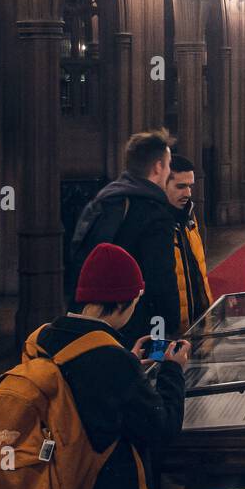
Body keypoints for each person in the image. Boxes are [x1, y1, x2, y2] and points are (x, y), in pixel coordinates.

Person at [0, 243, 188, 489]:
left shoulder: (43, 337)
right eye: (135, 300)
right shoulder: (113, 361)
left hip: (52, 478)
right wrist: (173, 369)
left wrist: (126, 360)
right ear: (122, 302)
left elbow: (83, 387)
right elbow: (162, 428)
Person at [66, 129, 180, 345]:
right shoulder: (154, 213)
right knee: (146, 371)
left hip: (95, 318)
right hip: (137, 323)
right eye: (168, 164)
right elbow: (160, 280)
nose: (169, 172)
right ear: (158, 167)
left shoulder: (104, 200)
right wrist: (169, 330)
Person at [166, 154, 212, 332]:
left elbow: (197, 270)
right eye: (180, 187)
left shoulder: (189, 214)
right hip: (172, 330)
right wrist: (158, 351)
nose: (188, 193)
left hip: (198, 321)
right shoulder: (155, 225)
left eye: (189, 186)